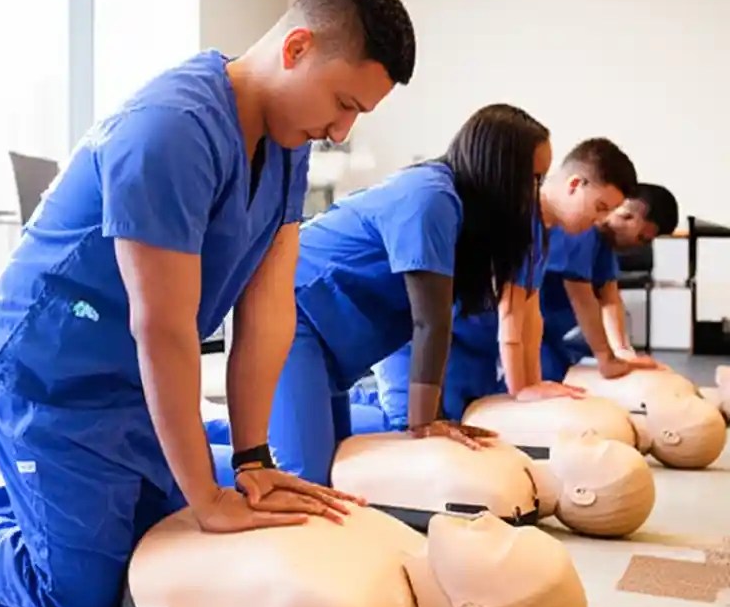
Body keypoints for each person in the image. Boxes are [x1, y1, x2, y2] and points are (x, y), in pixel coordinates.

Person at [0, 0, 417, 607]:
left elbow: (267, 311)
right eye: (343, 103)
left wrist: (252, 458)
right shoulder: (172, 129)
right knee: (83, 596)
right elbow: (165, 329)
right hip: (47, 374)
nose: (342, 131)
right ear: (296, 49)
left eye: (357, 115)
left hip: (129, 381)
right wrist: (207, 495)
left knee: (153, 550)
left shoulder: (288, 141)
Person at [206, 104, 554, 486]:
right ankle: (173, 464)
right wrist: (426, 423)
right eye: (531, 178)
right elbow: (430, 321)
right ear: (499, 169)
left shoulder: (466, 216)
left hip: (329, 337)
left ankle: (202, 436)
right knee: (304, 477)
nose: (535, 193)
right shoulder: (431, 198)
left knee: (339, 465)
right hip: (291, 312)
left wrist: (435, 419)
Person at [375, 138, 640, 423]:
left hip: (471, 346)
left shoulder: (543, 230)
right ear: (575, 185)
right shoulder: (519, 219)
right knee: (409, 429)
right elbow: (511, 313)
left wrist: (533, 383)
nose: (602, 220)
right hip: (423, 340)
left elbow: (530, 313)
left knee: (468, 420)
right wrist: (522, 388)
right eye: (600, 207)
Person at [539, 183, 679, 381]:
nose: (638, 246)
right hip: (523, 332)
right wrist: (606, 359)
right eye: (642, 238)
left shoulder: (604, 244)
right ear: (626, 215)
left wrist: (622, 350)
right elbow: (582, 299)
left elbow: (610, 298)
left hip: (551, 335)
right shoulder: (582, 231)